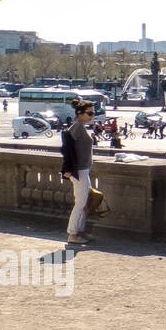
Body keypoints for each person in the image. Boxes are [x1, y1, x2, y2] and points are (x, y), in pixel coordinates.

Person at [61, 100, 95, 245]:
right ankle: (73, 233)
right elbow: (66, 147)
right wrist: (67, 169)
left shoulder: (81, 126)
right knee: (81, 202)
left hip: (83, 169)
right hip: (79, 170)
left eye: (93, 112)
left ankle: (80, 231)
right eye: (90, 113)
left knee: (85, 202)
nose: (92, 115)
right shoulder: (78, 127)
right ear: (80, 113)